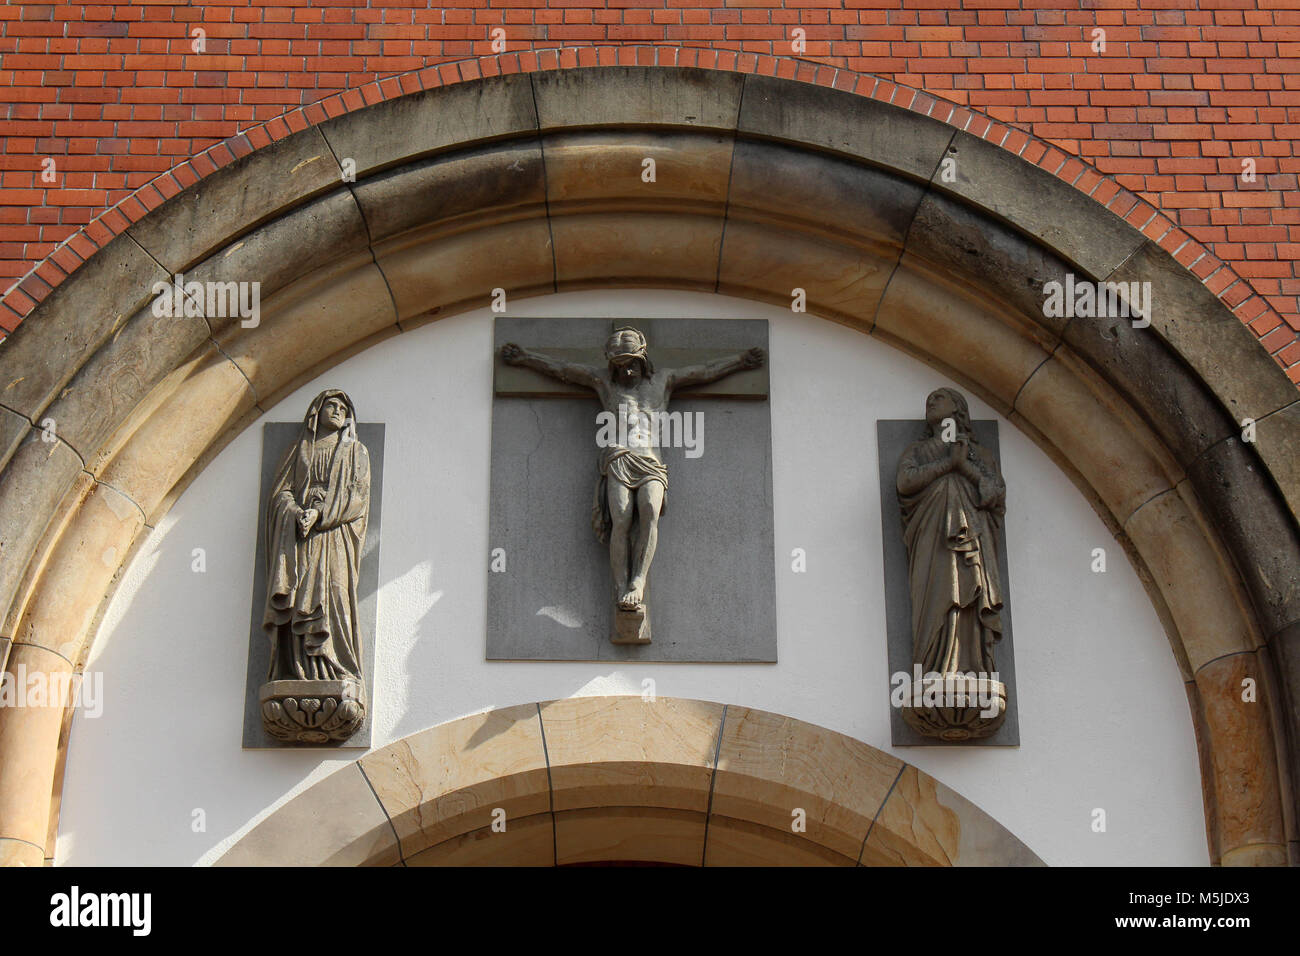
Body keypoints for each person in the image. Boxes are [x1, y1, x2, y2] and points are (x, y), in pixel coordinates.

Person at [502, 327, 763, 612]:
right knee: (622, 517)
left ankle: (637, 582)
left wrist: (740, 361)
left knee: (650, 509)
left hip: (650, 460)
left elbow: (704, 371)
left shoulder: (664, 380)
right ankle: (621, 586)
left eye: (631, 365)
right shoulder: (603, 383)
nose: (626, 373)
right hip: (619, 457)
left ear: (643, 359)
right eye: (619, 366)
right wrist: (525, 358)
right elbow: (563, 369)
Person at [262, 388, 370, 683]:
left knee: (333, 593)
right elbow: (281, 494)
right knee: (299, 597)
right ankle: (299, 669)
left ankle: (336, 666)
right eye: (331, 406)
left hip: (334, 536)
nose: (337, 412)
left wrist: (321, 514)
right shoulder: (297, 451)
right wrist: (296, 512)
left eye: (343, 409)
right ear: (316, 411)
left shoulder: (355, 452)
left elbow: (358, 498)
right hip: (300, 536)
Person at [896, 387, 1005, 676]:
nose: (930, 401)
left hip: (972, 542)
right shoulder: (917, 451)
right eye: (929, 399)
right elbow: (905, 482)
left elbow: (993, 492)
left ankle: (973, 665)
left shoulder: (978, 453)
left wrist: (964, 466)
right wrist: (948, 464)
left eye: (939, 398)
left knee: (969, 592)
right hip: (932, 542)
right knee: (937, 595)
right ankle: (934, 666)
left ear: (958, 409)